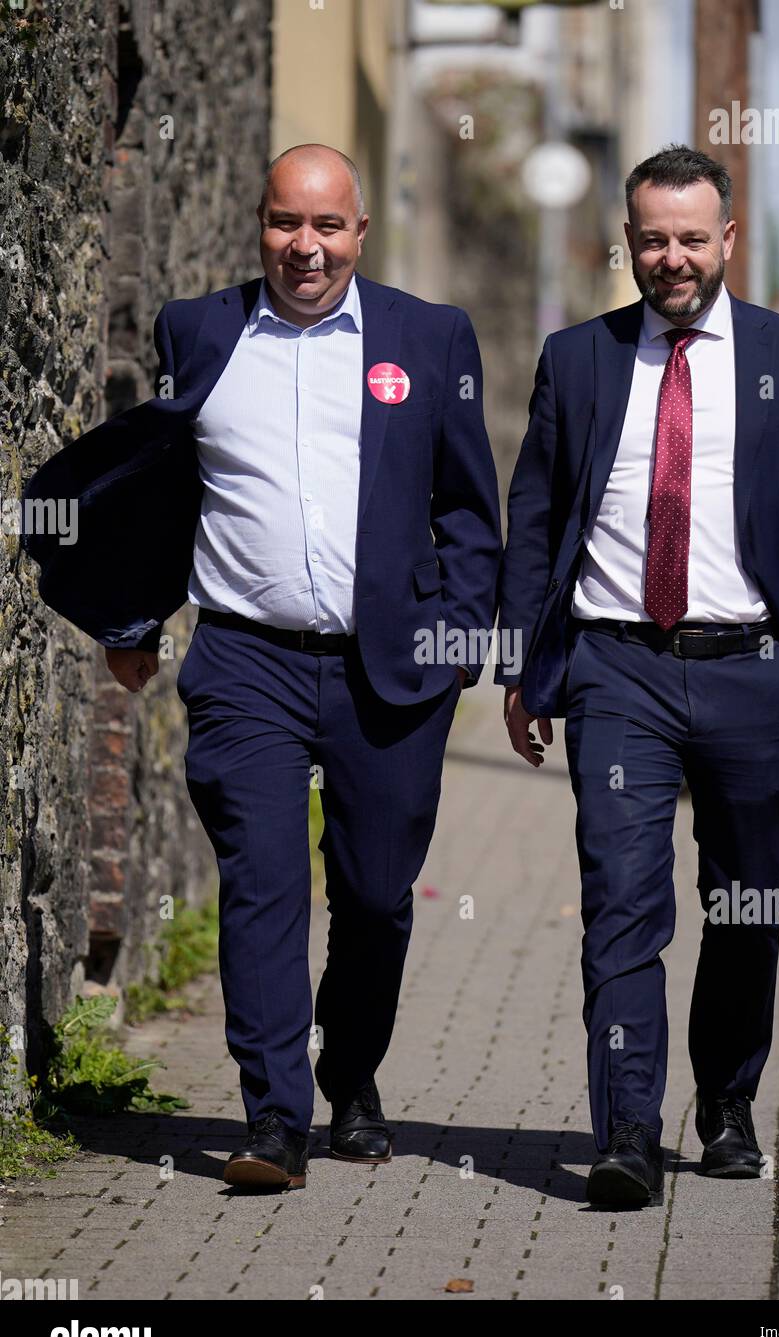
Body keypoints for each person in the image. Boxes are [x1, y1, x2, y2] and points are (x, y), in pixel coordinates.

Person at [22, 143, 502, 1190]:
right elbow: (160, 485)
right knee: (263, 885)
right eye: (288, 223)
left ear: (360, 234)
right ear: (261, 225)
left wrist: (462, 641)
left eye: (328, 226)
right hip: (248, 664)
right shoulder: (199, 331)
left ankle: (354, 1073)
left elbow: (469, 509)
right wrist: (132, 616)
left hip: (394, 671)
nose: (306, 246)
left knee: (376, 897)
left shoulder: (429, 337)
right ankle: (274, 1121)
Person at [494, 144, 779, 1207]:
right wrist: (526, 665)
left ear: (728, 240)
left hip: (753, 671)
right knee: (620, 901)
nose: (672, 257)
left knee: (743, 901)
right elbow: (536, 519)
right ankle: (625, 1131)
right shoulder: (579, 357)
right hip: (616, 668)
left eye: (692, 238)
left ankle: (731, 1104)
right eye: (653, 238)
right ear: (629, 240)